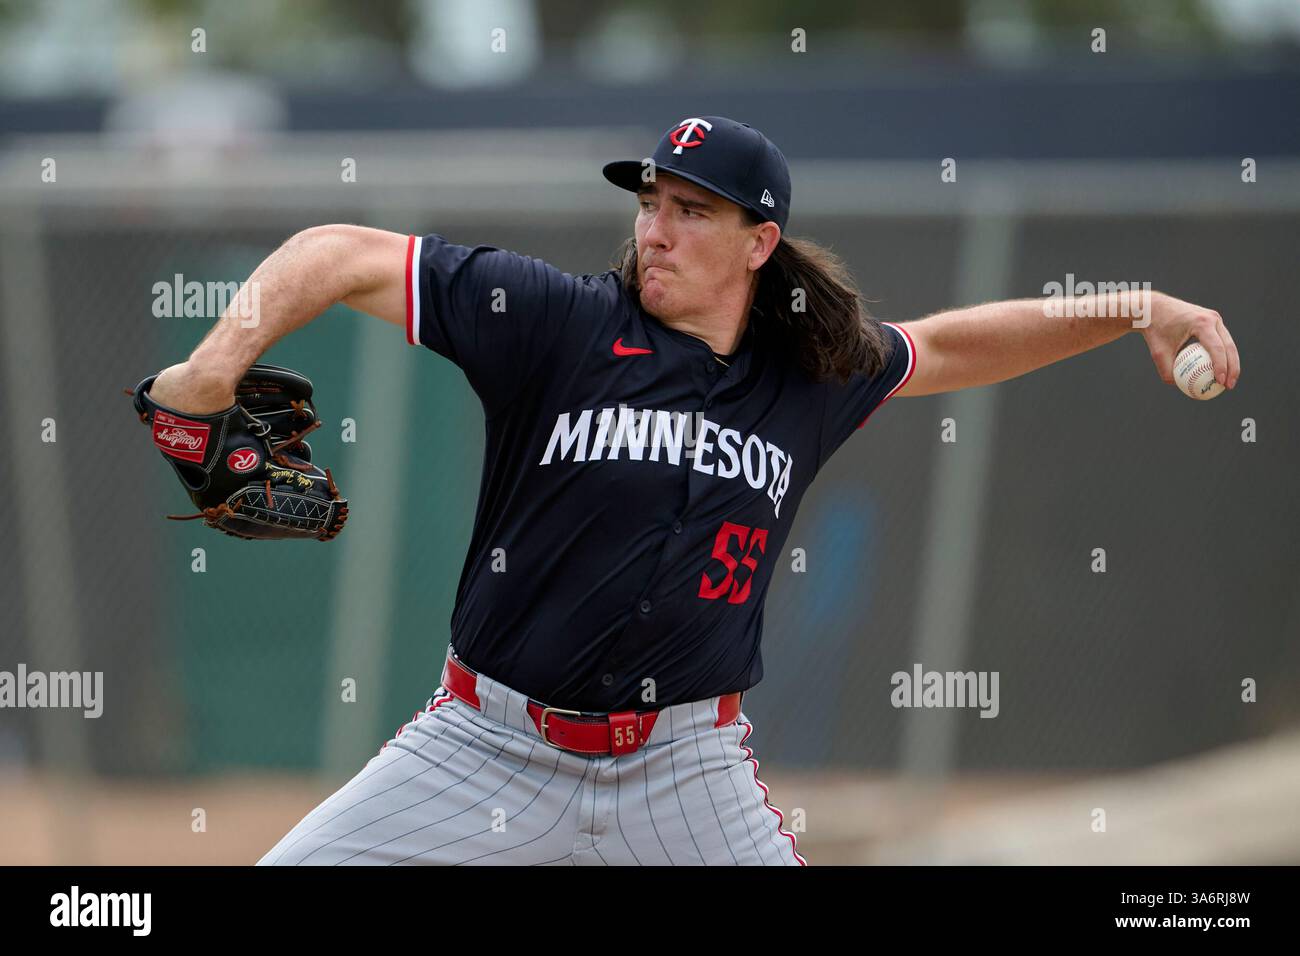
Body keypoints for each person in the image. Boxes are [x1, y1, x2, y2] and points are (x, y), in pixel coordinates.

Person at [146, 115, 1240, 865]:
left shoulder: (809, 377)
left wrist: (1134, 303)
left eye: (692, 210)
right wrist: (209, 370)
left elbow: (952, 347)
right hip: (484, 743)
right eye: (652, 201)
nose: (656, 228)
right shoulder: (555, 323)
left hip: (685, 769)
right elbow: (336, 250)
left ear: (759, 241)